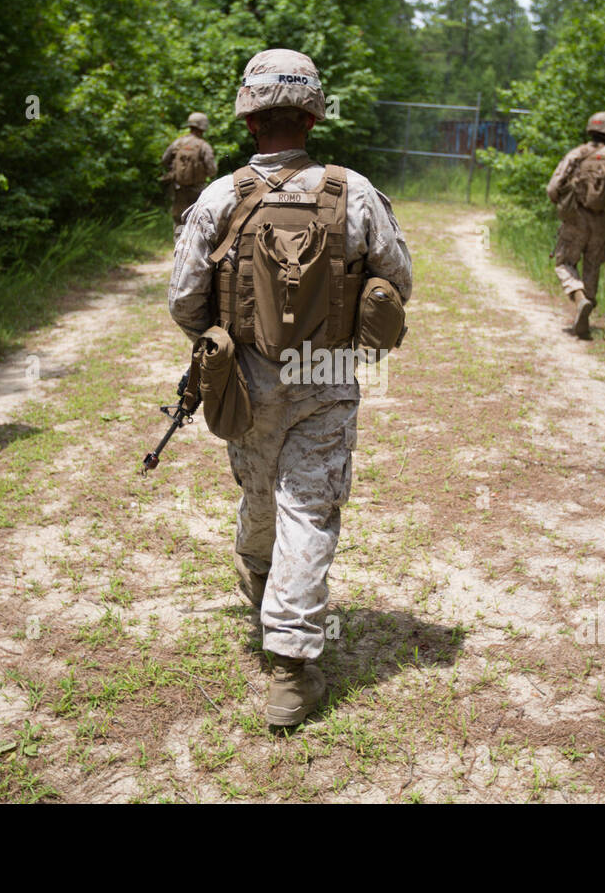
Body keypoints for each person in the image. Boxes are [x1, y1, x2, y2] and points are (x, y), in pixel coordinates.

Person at [168, 49, 412, 726]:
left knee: (258, 489)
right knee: (309, 505)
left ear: (248, 122)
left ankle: (257, 575)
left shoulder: (220, 196)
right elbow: (398, 284)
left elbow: (185, 300)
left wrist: (225, 335)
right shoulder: (355, 192)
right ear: (313, 115)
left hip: (244, 380)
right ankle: (290, 673)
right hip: (327, 375)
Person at [545, 111, 605, 338]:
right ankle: (586, 309)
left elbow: (552, 189)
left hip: (576, 217)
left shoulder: (577, 154)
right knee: (592, 266)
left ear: (590, 130)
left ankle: (579, 297)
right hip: (602, 220)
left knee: (564, 263)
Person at [161, 112, 217, 241]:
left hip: (178, 188)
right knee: (199, 219)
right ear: (203, 127)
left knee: (178, 219)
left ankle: (178, 246)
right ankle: (195, 247)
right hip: (198, 189)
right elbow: (212, 170)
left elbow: (164, 159)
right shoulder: (203, 146)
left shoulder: (178, 143)